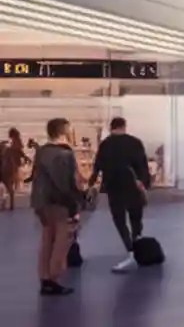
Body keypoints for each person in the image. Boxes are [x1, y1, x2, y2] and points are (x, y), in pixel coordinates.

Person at [88, 117, 151, 273]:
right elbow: (143, 166)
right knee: (136, 219)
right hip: (133, 187)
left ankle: (130, 250)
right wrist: (144, 183)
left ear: (111, 128)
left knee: (120, 221)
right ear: (124, 126)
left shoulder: (105, 145)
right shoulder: (135, 142)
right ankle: (138, 246)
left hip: (113, 187)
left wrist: (91, 184)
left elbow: (97, 167)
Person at [31, 118, 82, 296]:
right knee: (62, 241)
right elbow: (65, 183)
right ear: (63, 132)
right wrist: (75, 203)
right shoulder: (64, 154)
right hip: (59, 203)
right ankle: (54, 276)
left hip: (41, 202)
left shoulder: (42, 151)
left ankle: (45, 279)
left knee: (47, 240)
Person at [3, 127, 31, 210]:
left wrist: (25, 157)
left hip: (12, 165)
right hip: (12, 164)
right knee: (9, 185)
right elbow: (20, 151)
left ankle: (9, 204)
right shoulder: (14, 142)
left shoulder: (16, 141)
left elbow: (19, 151)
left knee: (8, 185)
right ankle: (9, 204)